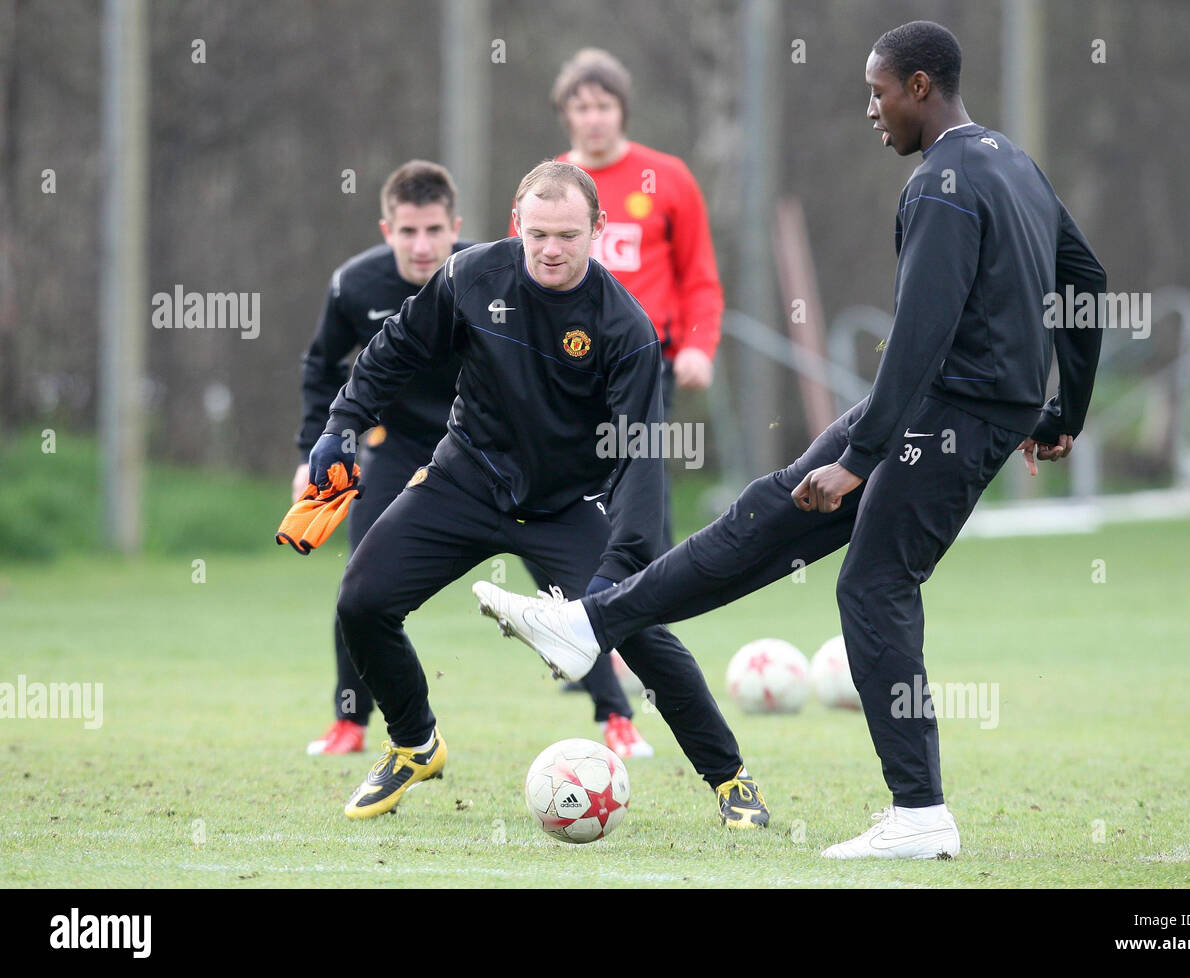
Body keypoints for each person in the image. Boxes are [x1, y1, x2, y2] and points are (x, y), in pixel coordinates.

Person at [474, 21, 1106, 860]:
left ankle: (919, 813)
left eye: (879, 92)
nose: (871, 110)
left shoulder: (942, 187)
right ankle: (591, 625)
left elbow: (920, 336)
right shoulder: (1011, 162)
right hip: (956, 408)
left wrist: (860, 459)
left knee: (875, 586)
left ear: (921, 86)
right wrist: (1065, 411)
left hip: (954, 417)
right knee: (768, 514)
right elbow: (1087, 280)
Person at [306, 161, 769, 825]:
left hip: (566, 506)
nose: (551, 249)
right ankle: (415, 743)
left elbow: (640, 455)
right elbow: (395, 349)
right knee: (361, 600)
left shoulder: (625, 328)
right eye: (538, 233)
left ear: (599, 231)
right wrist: (341, 428)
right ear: (516, 226)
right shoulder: (470, 278)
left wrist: (618, 570)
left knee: (640, 632)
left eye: (568, 235)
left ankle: (730, 781)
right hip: (462, 481)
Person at [293, 160, 652, 760]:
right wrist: (321, 444)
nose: (422, 244)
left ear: (455, 226)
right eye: (408, 232)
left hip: (500, 448)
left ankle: (614, 712)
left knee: (579, 594)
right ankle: (350, 721)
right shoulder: (354, 285)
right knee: (362, 580)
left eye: (434, 230)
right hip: (405, 447)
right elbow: (324, 367)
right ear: (387, 231)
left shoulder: (489, 271)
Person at [528, 48, 725, 553]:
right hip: (564, 360)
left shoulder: (668, 177)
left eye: (604, 106)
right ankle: (580, 598)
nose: (593, 118)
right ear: (565, 114)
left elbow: (699, 275)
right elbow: (524, 279)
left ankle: (650, 602)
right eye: (582, 107)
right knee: (568, 478)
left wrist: (699, 346)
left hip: (644, 359)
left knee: (640, 474)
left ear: (622, 111)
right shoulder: (547, 188)